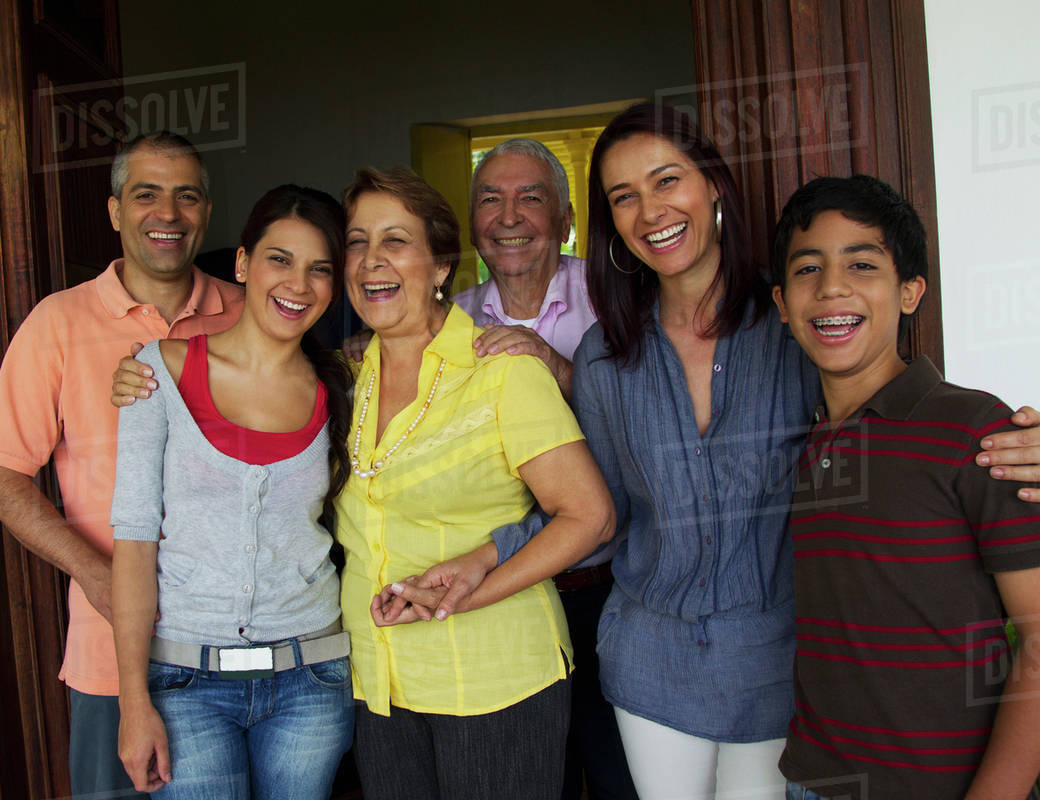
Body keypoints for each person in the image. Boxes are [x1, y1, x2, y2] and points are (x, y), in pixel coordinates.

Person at [444, 103, 1040, 800]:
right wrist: (481, 559)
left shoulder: (800, 320)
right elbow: (592, 511)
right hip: (650, 664)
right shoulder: (606, 358)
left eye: (667, 181)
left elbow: (902, 416)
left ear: (713, 186)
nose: (650, 211)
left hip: (783, 669)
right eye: (624, 197)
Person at [0, 131, 244, 798]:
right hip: (109, 657)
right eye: (146, 194)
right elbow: (0, 476)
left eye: (187, 196)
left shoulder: (247, 317)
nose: (168, 214)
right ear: (115, 210)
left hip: (237, 651)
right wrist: (95, 574)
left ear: (206, 213)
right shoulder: (58, 324)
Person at [338, 165, 614, 800]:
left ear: (440, 267)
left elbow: (589, 516)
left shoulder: (501, 370)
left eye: (395, 241)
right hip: (378, 679)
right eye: (357, 241)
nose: (371, 260)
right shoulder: (350, 378)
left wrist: (473, 593)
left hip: (494, 679)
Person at [770, 176, 1040, 800]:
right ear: (782, 303)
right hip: (814, 784)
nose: (832, 287)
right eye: (809, 269)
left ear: (910, 291)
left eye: (861, 264)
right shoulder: (803, 445)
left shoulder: (978, 431)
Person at [111, 185, 355, 799]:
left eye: (319, 268)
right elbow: (135, 541)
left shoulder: (344, 387)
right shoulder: (157, 371)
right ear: (243, 264)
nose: (298, 284)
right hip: (185, 681)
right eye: (280, 259)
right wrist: (132, 701)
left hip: (312, 677)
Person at [457, 138, 633, 800]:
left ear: (564, 220)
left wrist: (555, 370)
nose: (508, 216)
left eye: (530, 198)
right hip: (511, 596)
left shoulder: (618, 302)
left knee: (624, 779)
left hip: (613, 591)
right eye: (490, 199)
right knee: (533, 780)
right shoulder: (450, 322)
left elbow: (647, 431)